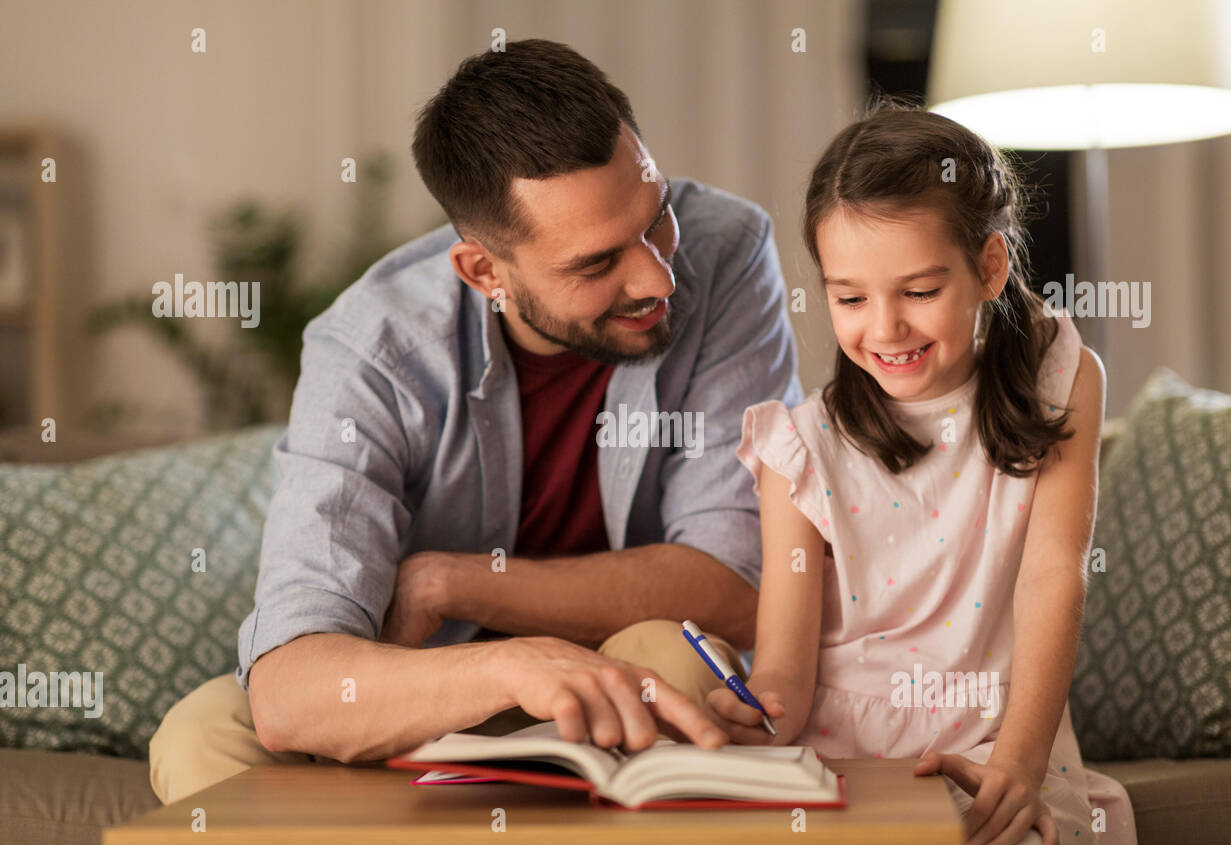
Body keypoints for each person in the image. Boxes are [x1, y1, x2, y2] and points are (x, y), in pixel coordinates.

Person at [148, 39, 801, 804]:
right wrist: (510, 663)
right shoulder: (370, 349)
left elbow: (733, 585)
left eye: (656, 222)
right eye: (595, 266)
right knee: (202, 736)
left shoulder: (727, 253)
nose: (656, 277)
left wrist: (453, 583)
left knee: (674, 657)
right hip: (424, 685)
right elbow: (292, 687)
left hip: (618, 678)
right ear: (484, 272)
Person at [711, 97, 1139, 845]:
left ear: (989, 267)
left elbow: (1052, 575)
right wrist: (752, 716)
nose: (884, 328)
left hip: (996, 742)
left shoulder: (1063, 376)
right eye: (849, 298)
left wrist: (1020, 762)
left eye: (917, 291)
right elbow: (783, 673)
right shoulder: (799, 448)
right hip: (845, 760)